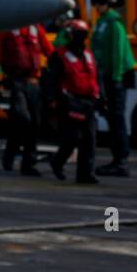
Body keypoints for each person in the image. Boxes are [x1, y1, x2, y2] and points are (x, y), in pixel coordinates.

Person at [0, 23, 53, 176]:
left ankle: (26, 162)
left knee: (33, 123)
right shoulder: (6, 29)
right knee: (23, 119)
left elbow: (49, 50)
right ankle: (12, 153)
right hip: (16, 82)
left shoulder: (36, 28)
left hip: (33, 83)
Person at [47, 20, 100, 184]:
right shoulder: (60, 55)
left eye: (83, 34)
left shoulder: (89, 55)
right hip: (69, 100)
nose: (80, 38)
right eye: (77, 34)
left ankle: (85, 173)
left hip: (88, 100)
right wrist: (51, 99)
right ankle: (58, 161)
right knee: (73, 137)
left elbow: (96, 77)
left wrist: (101, 97)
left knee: (89, 138)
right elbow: (52, 79)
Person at [90, 0, 134, 177]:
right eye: (96, 3)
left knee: (116, 118)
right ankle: (117, 159)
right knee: (111, 117)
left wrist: (116, 78)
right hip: (105, 75)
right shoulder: (102, 22)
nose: (98, 6)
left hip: (115, 76)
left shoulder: (114, 23)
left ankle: (121, 161)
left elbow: (118, 52)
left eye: (101, 2)